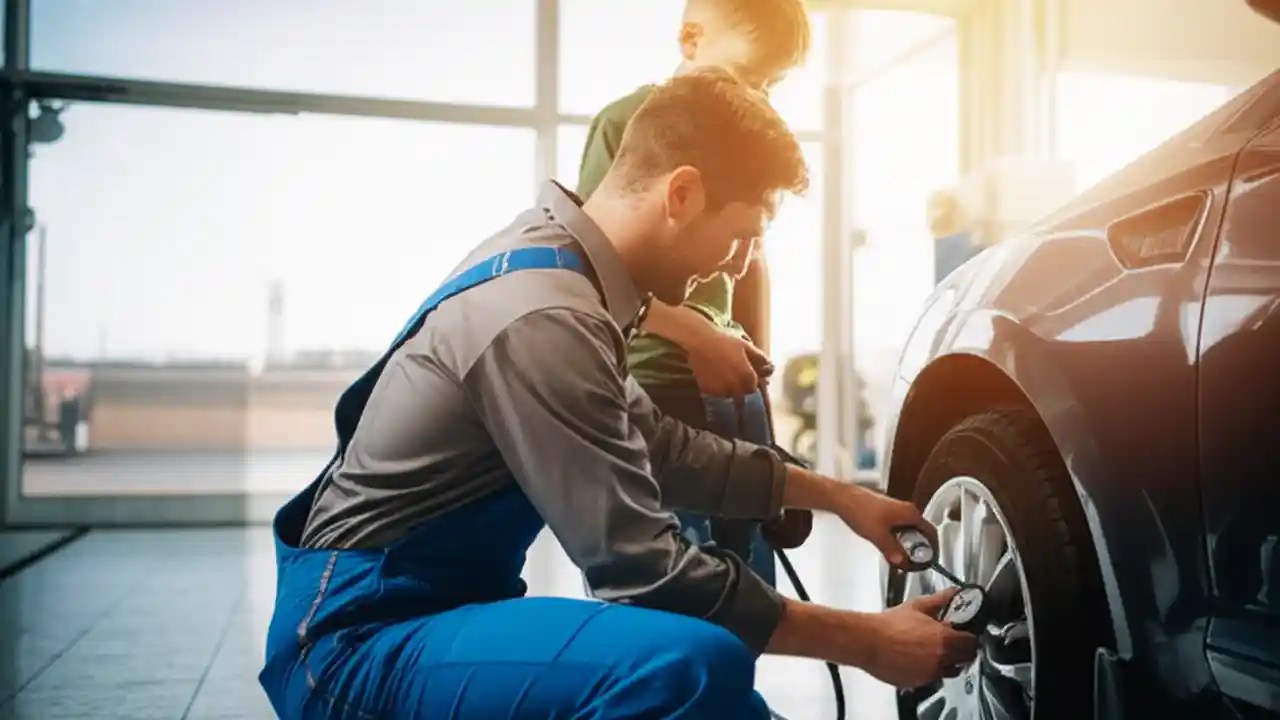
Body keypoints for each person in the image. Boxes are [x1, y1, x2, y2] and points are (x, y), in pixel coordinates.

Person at [259, 69, 977, 720]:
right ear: (683, 193)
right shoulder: (545, 317)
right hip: (354, 646)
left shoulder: (563, 271)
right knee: (687, 666)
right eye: (743, 237)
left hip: (422, 611)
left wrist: (843, 498)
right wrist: (869, 641)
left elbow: (662, 449)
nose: (741, 265)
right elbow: (644, 571)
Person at [578, 0, 814, 582]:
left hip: (736, 389)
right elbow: (591, 262)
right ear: (691, 40)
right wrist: (692, 334)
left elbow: (752, 265)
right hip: (655, 382)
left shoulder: (750, 139)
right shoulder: (629, 122)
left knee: (752, 570)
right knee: (678, 575)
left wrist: (758, 383)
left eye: (770, 83)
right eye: (746, 75)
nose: (757, 95)